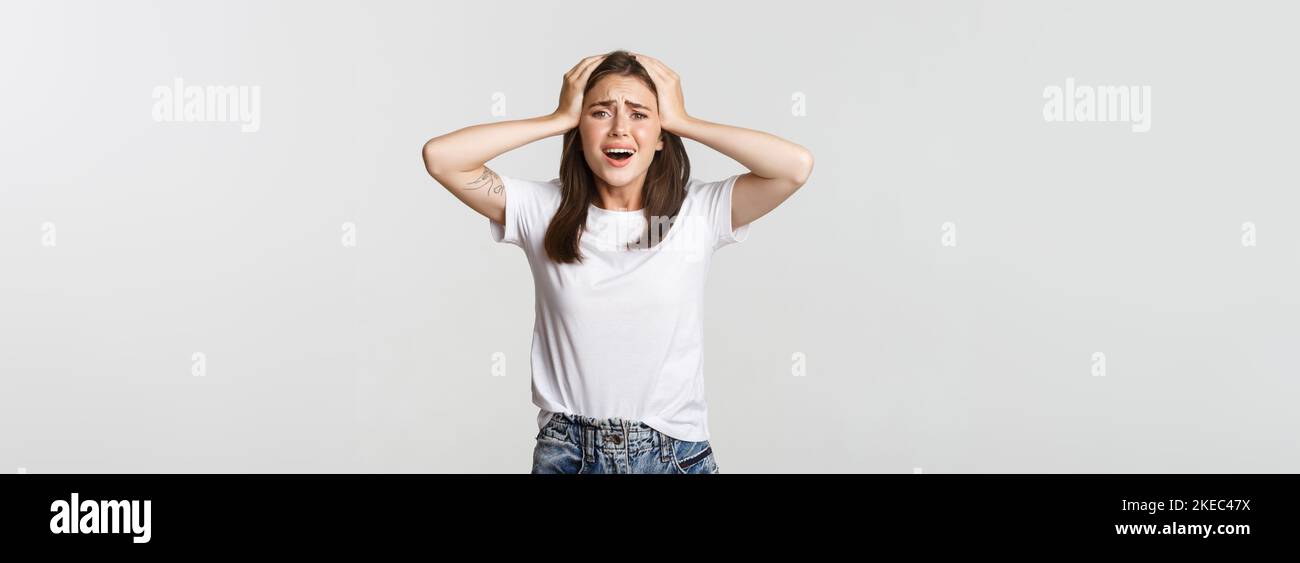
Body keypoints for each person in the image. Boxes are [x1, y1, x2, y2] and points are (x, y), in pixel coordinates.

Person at [421, 50, 813, 473]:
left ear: (661, 135)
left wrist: (683, 120)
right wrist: (557, 118)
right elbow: (442, 158)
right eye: (601, 113)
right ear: (580, 129)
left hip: (673, 455)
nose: (620, 128)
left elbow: (794, 167)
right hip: (568, 454)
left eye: (640, 115)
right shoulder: (542, 210)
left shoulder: (696, 212)